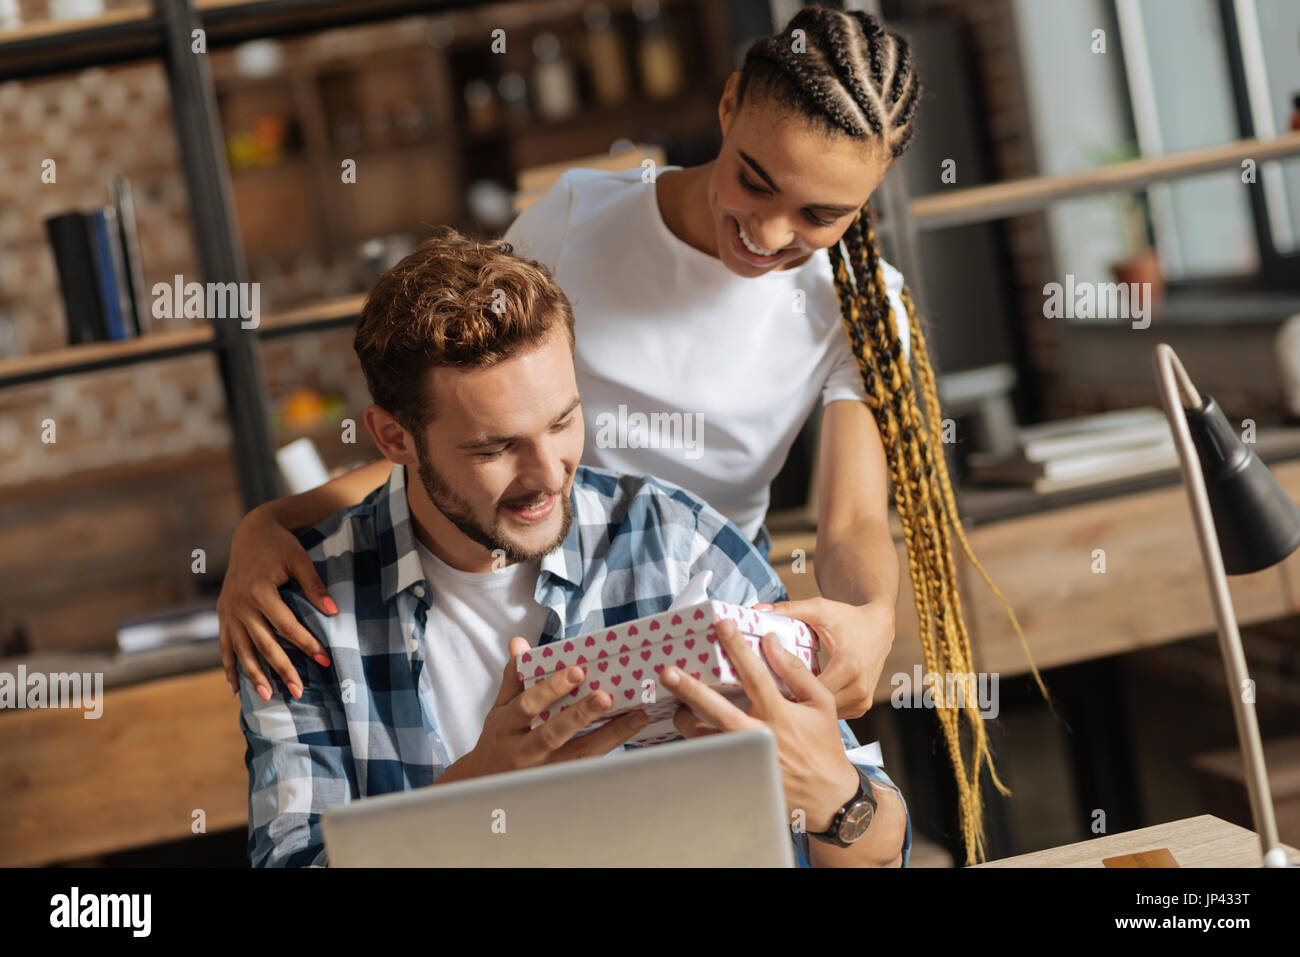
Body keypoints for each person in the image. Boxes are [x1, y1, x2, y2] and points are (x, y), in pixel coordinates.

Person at [222, 6, 1042, 864]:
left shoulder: (858, 308)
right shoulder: (579, 218)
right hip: (517, 557)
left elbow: (850, 524)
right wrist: (273, 525)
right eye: (755, 181)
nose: (767, 235)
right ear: (726, 108)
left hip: (694, 596)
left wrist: (870, 619)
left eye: (820, 214)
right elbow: (462, 408)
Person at [239, 231, 911, 867]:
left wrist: (836, 799)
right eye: (495, 446)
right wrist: (478, 791)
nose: (547, 473)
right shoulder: (305, 613)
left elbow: (879, 843)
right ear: (393, 438)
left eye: (562, 420)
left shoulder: (677, 545)